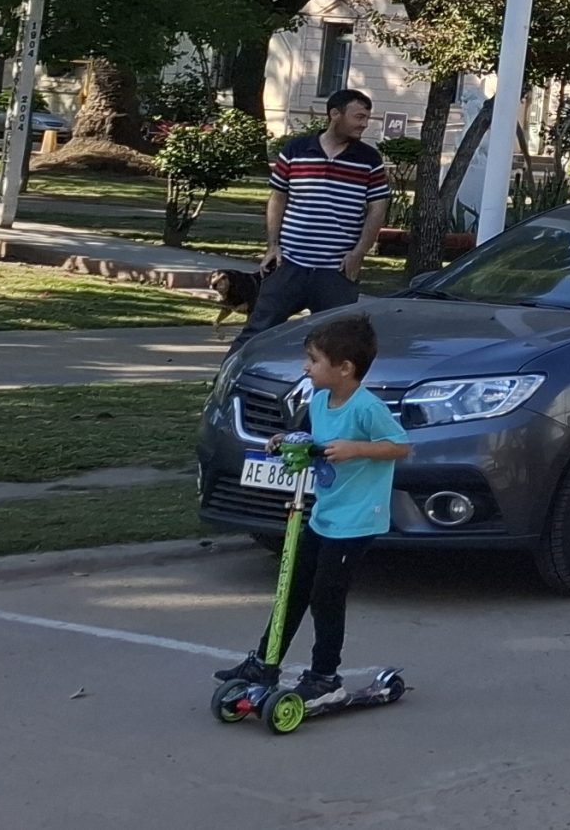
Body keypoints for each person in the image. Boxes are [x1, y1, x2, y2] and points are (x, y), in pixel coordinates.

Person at [212, 312, 410, 706]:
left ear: (345, 368)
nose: (307, 367)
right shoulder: (320, 400)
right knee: (292, 589)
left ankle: (325, 677)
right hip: (324, 516)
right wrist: (286, 439)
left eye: (314, 360)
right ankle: (265, 663)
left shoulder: (366, 408)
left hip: (354, 522)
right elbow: (309, 437)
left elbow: (400, 446)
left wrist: (358, 449)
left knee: (326, 597)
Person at [242, 88, 392, 340]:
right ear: (335, 114)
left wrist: (358, 254)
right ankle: (228, 379)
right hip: (289, 264)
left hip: (337, 271)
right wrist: (272, 246)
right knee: (257, 333)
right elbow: (277, 198)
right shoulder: (296, 150)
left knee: (338, 343)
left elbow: (378, 208)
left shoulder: (369, 159)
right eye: (359, 117)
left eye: (367, 118)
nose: (364, 124)